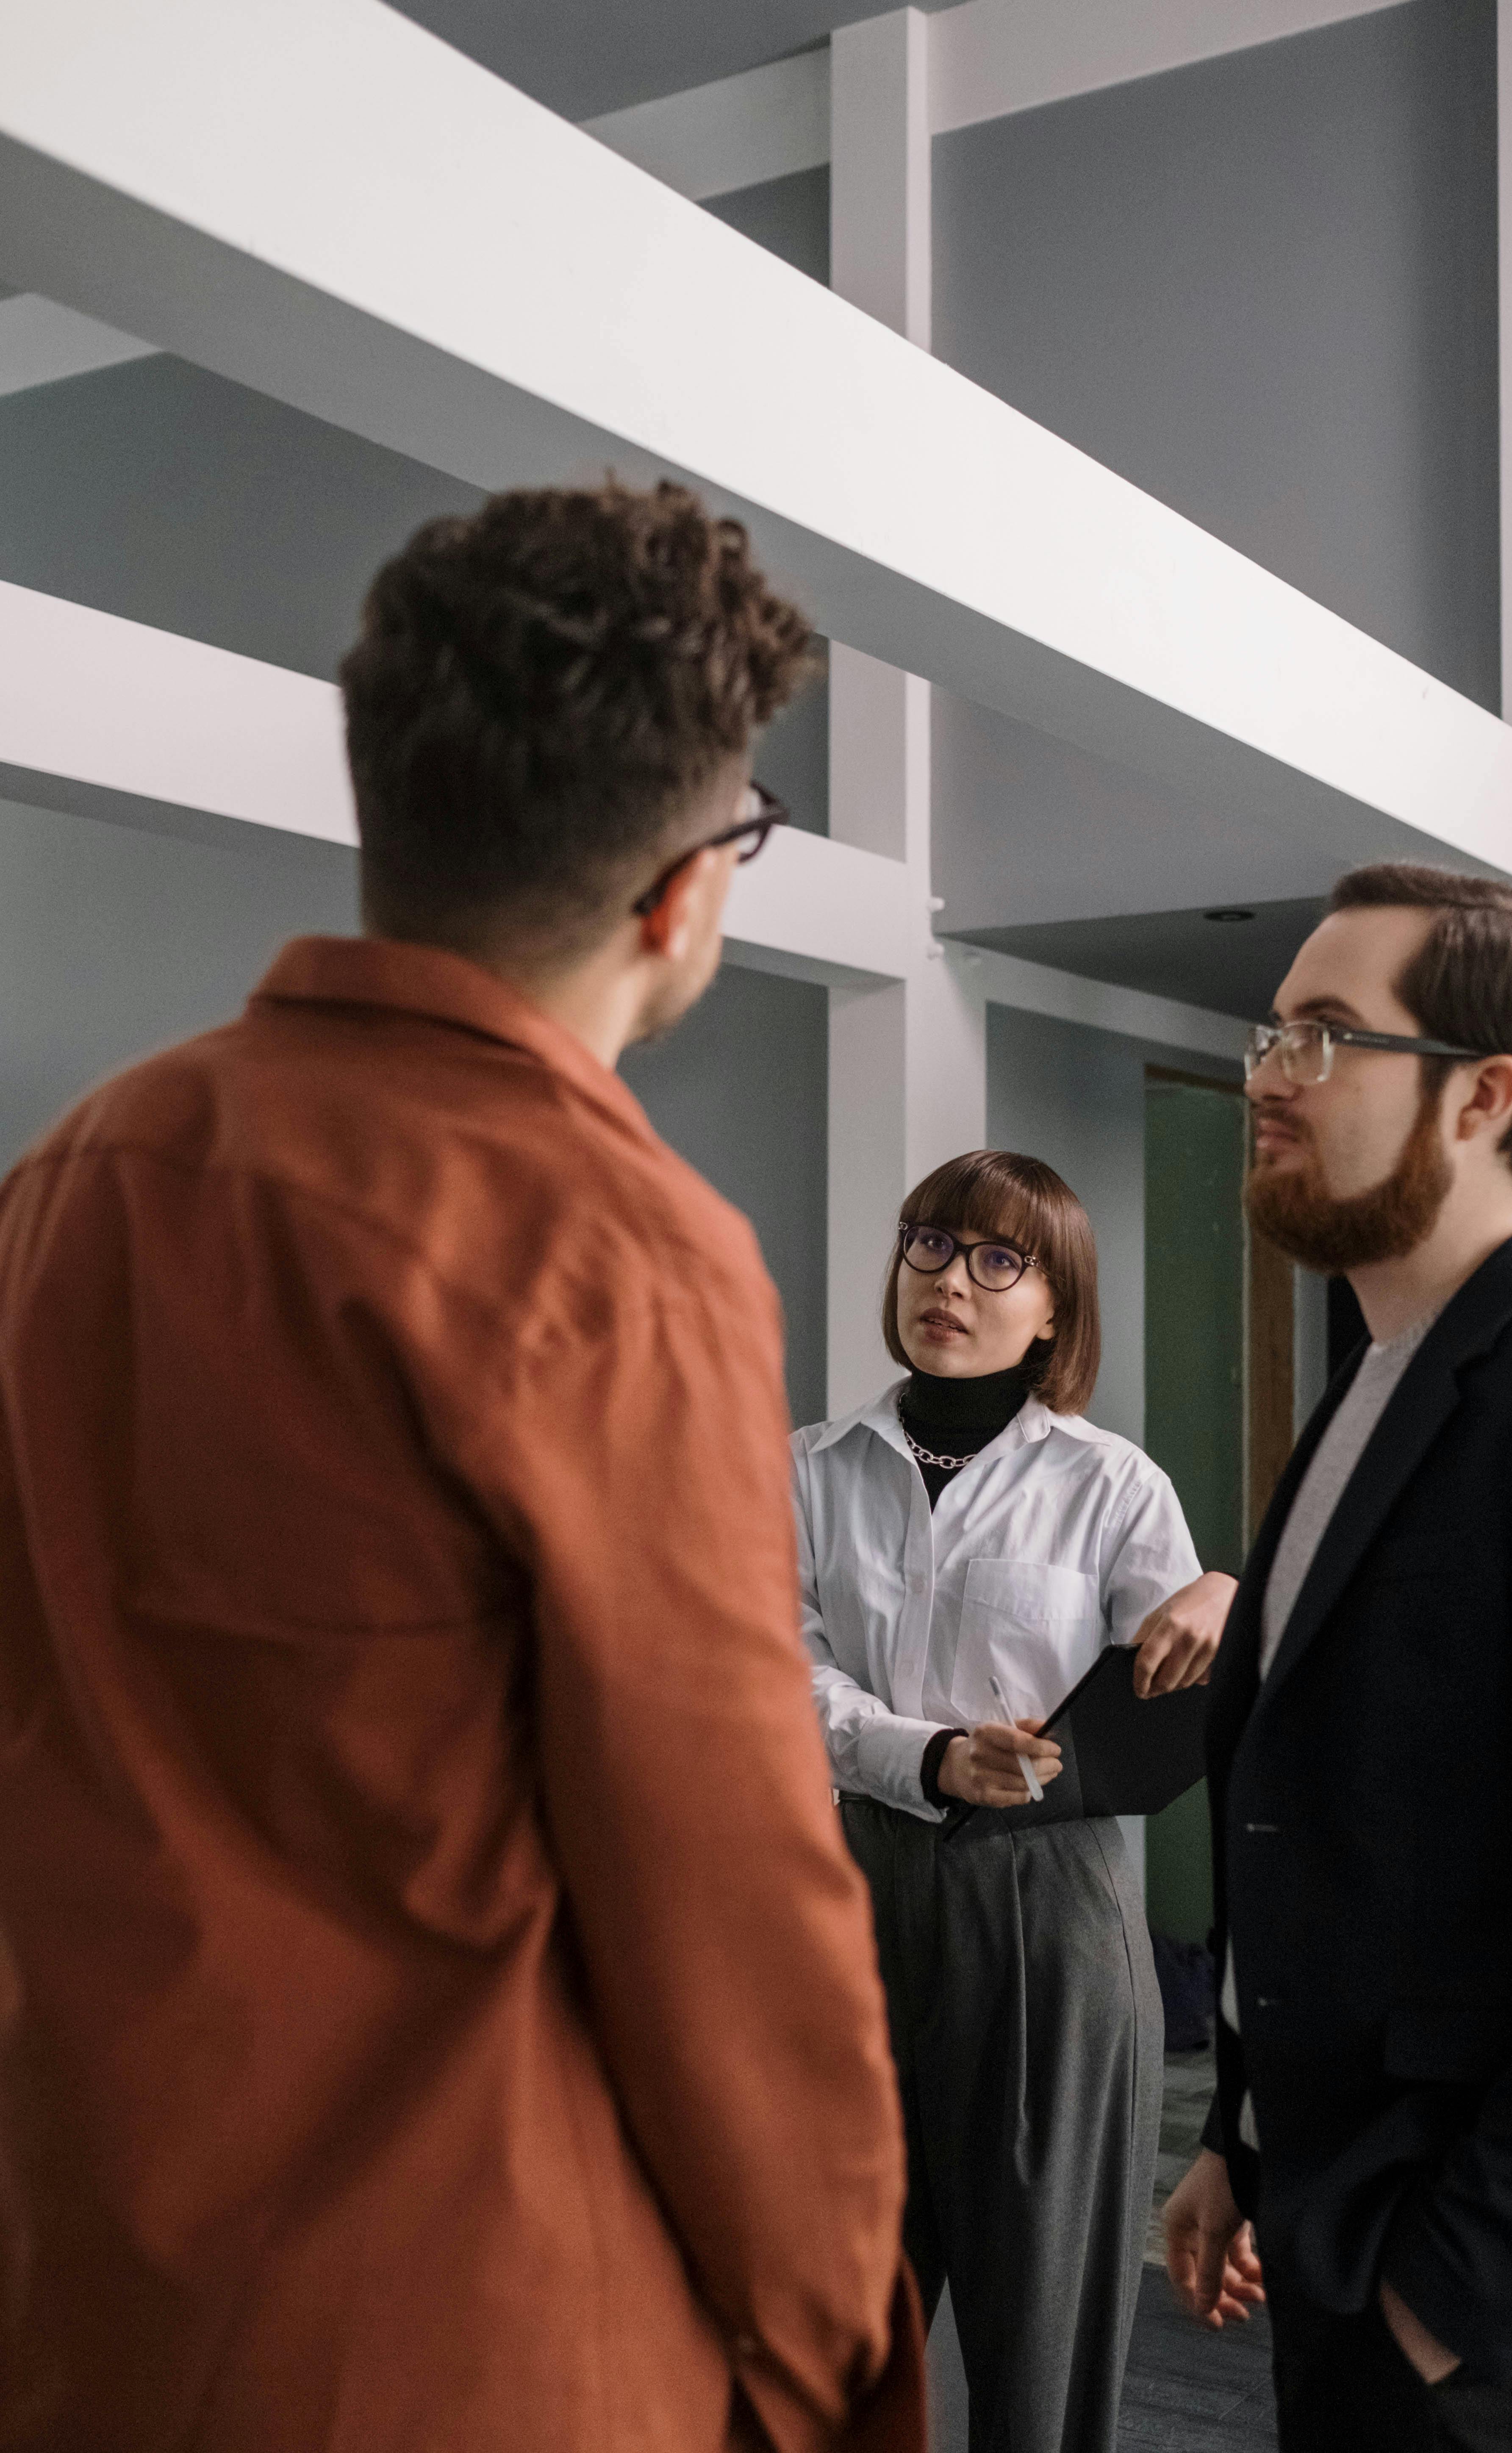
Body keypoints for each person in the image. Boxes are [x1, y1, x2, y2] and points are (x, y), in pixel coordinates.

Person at [0, 481, 924, 2451]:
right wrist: (846, 2338)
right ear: (684, 890)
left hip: (92, 2296)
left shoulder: (71, 1181)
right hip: (467, 2330)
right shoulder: (616, 1246)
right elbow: (725, 1895)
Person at [1163, 864, 1512, 2451]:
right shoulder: (1372, 1380)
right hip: (1328, 2218)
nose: (1266, 1082)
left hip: (1475, 2316)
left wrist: (1449, 2296)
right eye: (1266, 1039)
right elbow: (1334, 1824)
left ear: (1481, 1097)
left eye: (1320, 1039)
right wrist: (1238, 2128)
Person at [795, 1149, 1237, 2453]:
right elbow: (761, 1673)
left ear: (1054, 1309)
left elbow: (1184, 1673)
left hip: (1055, 1923)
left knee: (1041, 2342)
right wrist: (924, 1756)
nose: (951, 1281)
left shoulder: (1113, 1487)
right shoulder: (806, 1470)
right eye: (928, 1244)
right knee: (831, 2325)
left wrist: (1225, 1595)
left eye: (1000, 1260)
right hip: (853, 1905)